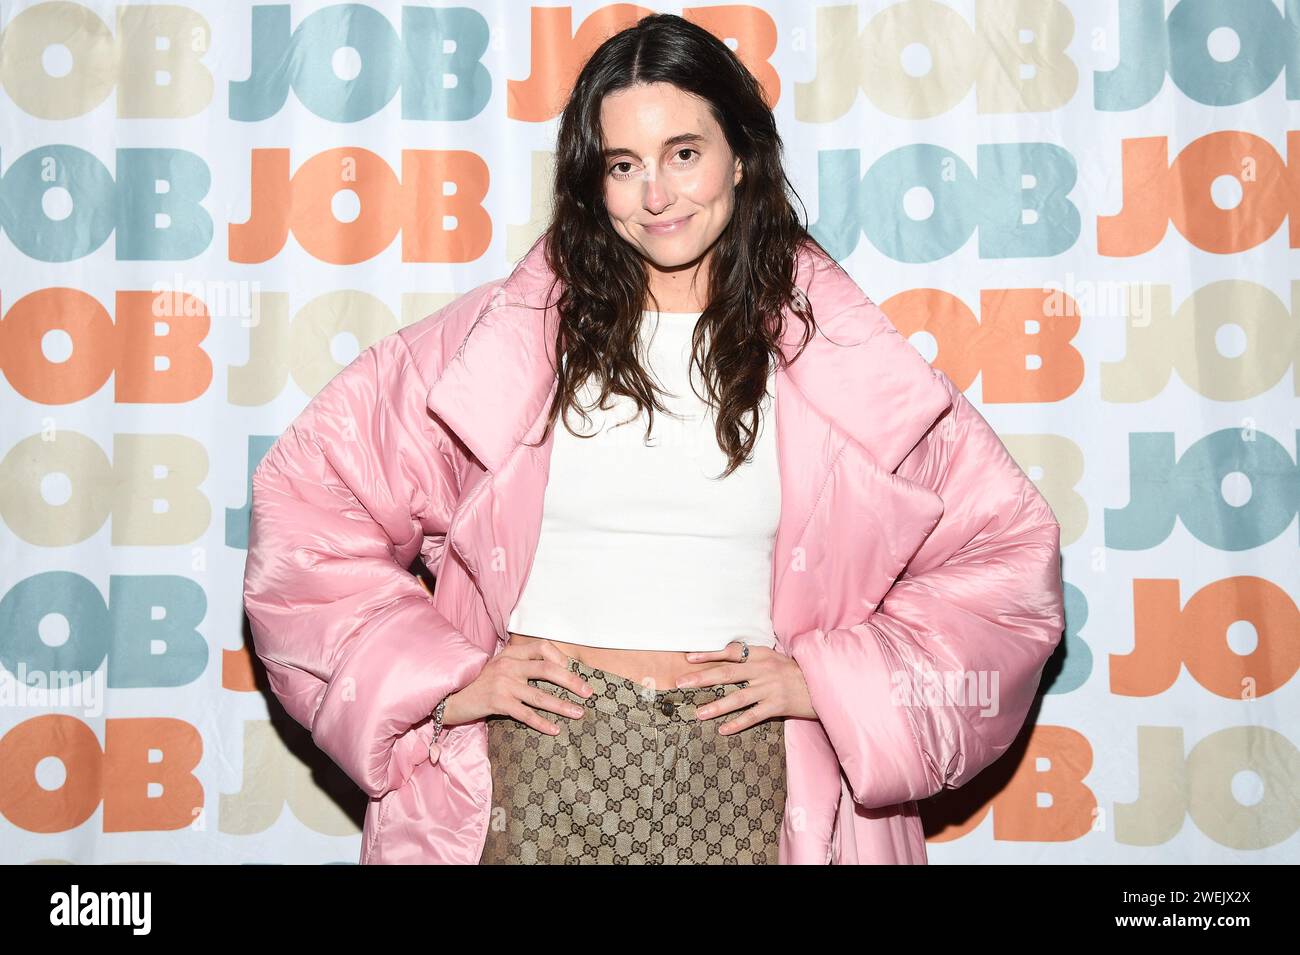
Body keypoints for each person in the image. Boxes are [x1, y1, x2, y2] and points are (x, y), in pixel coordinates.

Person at [242, 14, 1066, 865]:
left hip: (753, 783)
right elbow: (310, 508)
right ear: (591, 183)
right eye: (623, 166)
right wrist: (442, 685)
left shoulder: (840, 358)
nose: (657, 196)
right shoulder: (499, 347)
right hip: (537, 779)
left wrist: (832, 682)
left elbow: (1003, 559)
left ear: (741, 155)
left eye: (684, 153)